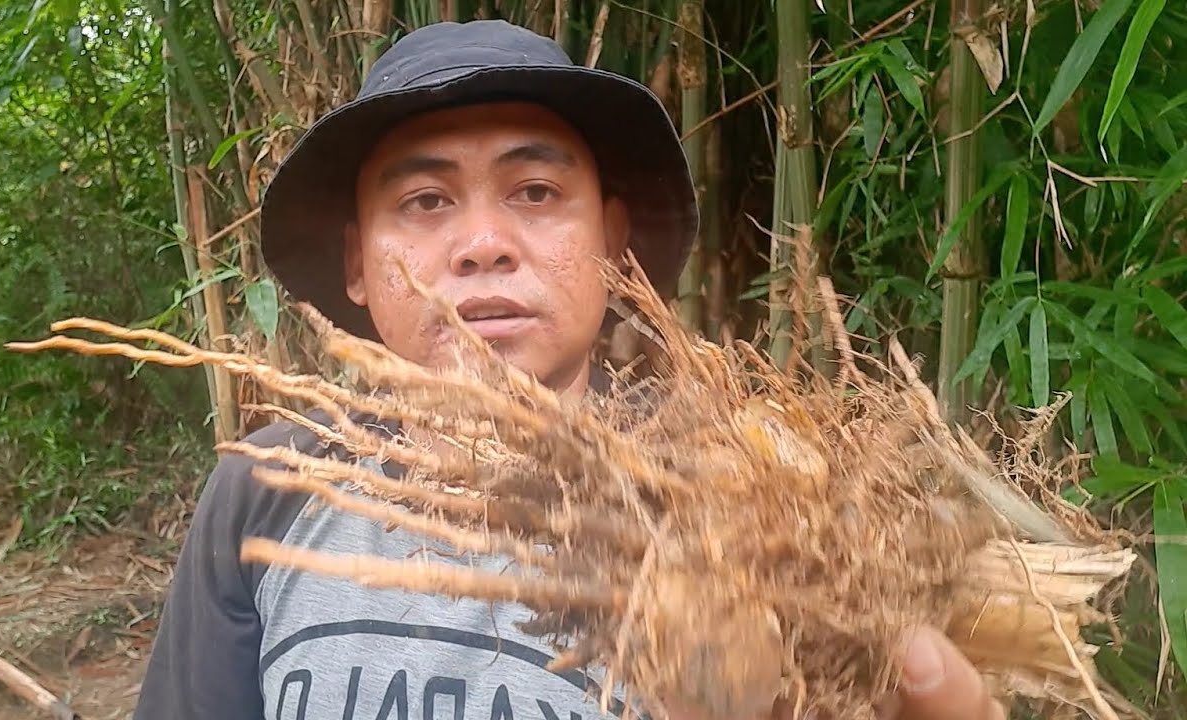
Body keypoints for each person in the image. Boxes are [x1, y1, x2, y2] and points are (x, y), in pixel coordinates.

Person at [133, 19, 1004, 720]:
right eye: (425, 202)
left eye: (536, 193)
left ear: (612, 242)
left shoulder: (740, 495)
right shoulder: (273, 488)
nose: (482, 247)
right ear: (359, 262)